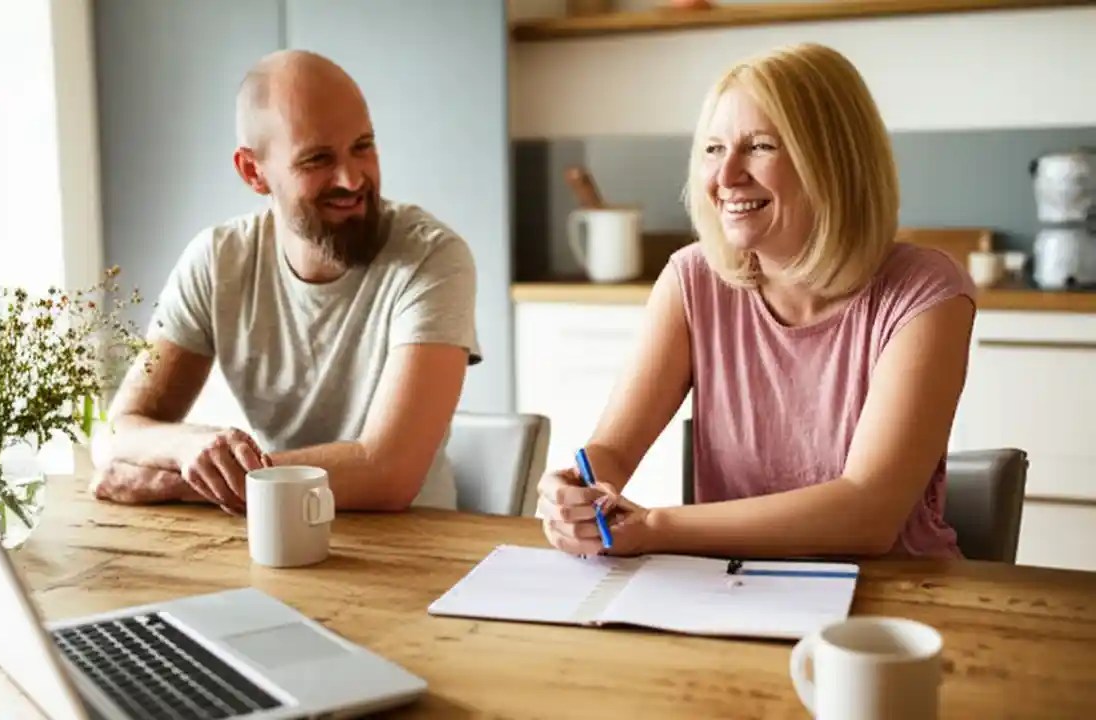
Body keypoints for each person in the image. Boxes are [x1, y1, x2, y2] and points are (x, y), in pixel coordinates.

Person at [536, 43, 976, 560]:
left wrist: (656, 527)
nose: (725, 178)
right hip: (732, 591)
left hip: (889, 606)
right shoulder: (692, 279)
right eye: (714, 149)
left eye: (761, 146)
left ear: (835, 161)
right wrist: (575, 496)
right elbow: (612, 451)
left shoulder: (925, 292)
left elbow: (868, 513)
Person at [89, 49, 480, 514]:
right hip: (273, 536)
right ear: (253, 172)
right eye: (317, 159)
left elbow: (388, 472)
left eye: (363, 146)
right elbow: (118, 433)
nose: (352, 179)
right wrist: (190, 447)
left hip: (411, 547)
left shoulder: (432, 258)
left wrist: (181, 485)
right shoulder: (218, 262)